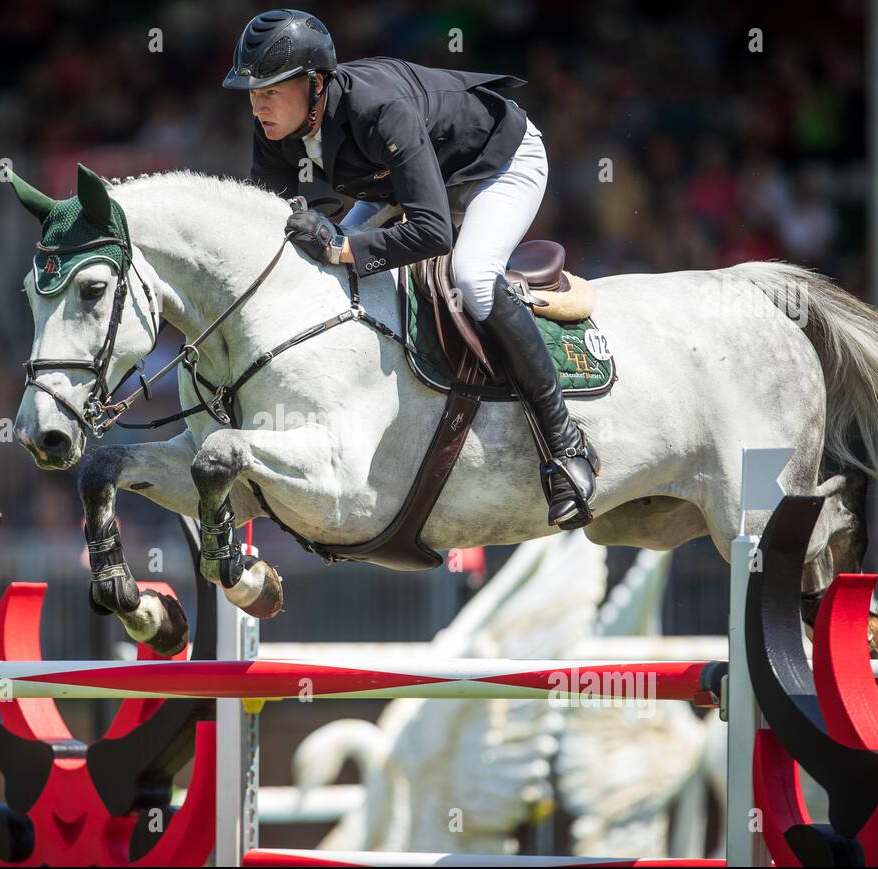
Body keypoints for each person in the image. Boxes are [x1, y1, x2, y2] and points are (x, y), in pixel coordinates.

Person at [223, 9, 598, 529]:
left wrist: (337, 246)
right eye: (251, 91)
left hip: (497, 164)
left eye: (269, 91)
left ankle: (565, 443)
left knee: (472, 276)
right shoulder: (274, 122)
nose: (257, 104)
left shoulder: (379, 110)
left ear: (313, 84)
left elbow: (432, 233)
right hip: (410, 182)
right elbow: (272, 216)